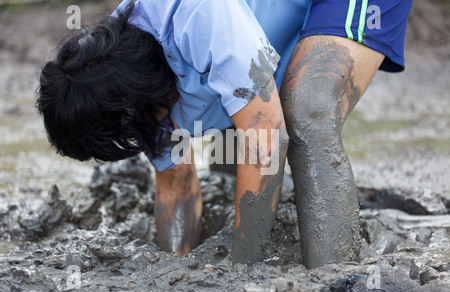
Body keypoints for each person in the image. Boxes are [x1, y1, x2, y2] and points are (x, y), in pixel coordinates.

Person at [36, 0, 412, 268]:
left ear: (136, 101)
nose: (150, 136)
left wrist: (240, 277)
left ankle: (339, 277)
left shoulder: (195, 13)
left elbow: (268, 137)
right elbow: (175, 186)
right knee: (234, 143)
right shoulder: (119, 84)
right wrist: (174, 271)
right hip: (260, 26)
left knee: (306, 114)